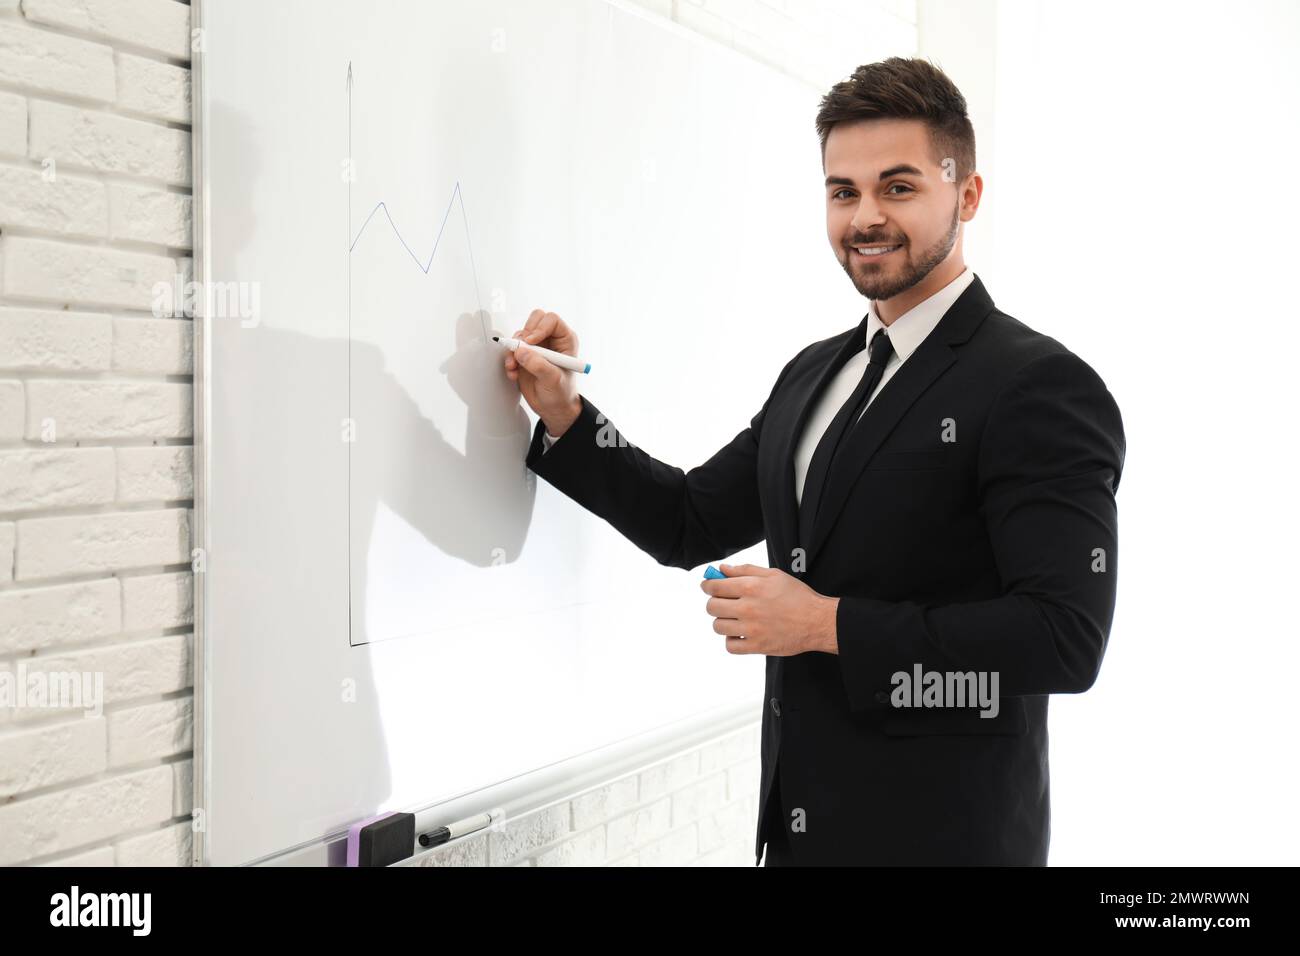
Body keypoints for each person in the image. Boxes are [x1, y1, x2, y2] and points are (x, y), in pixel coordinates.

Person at [504, 56, 1125, 866]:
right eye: (843, 191)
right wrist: (568, 416)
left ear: (966, 195)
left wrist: (825, 624)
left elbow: (1064, 638)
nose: (866, 215)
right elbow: (690, 519)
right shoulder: (814, 374)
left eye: (898, 187)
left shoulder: (1038, 385)